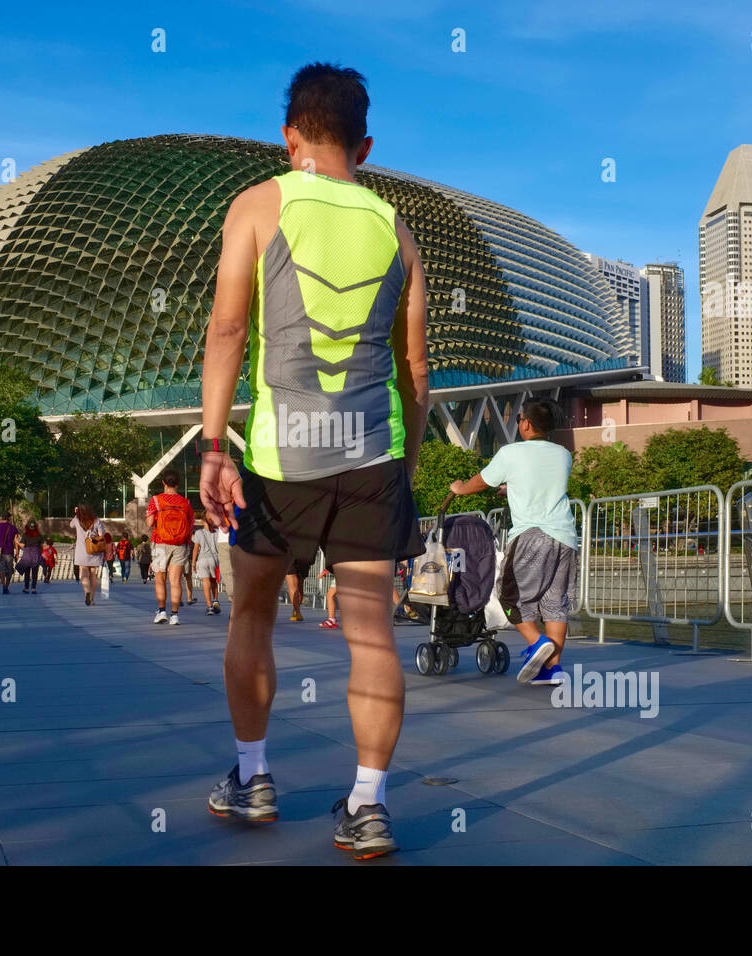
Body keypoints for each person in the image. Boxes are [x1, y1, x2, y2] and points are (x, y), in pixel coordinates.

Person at [197, 63, 428, 861]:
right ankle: (368, 804)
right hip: (372, 453)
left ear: (288, 137)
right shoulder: (397, 227)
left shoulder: (259, 203)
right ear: (365, 144)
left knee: (254, 614)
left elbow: (228, 330)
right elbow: (416, 370)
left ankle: (253, 777)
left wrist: (213, 444)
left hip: (277, 453)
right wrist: (408, 461)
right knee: (370, 633)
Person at [448, 400, 578, 687]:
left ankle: (537, 642)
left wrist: (459, 489)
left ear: (526, 423)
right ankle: (552, 670)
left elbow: (481, 481)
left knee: (508, 596)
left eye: (519, 418)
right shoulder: (563, 454)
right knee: (555, 604)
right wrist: (511, 487)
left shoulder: (511, 452)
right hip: (566, 538)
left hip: (533, 535)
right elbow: (541, 480)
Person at [147, 469, 194, 625]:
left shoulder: (156, 500)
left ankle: (161, 612)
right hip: (180, 544)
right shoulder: (185, 502)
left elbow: (149, 523)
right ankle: (175, 615)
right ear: (178, 484)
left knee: (160, 578)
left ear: (163, 483)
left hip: (160, 542)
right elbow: (191, 525)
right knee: (175, 581)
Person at [68, 505, 106, 606]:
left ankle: (87, 592)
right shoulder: (96, 520)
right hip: (94, 550)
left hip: (81, 552)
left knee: (83, 573)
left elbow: (70, 525)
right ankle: (92, 599)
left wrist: (76, 514)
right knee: (93, 573)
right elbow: (102, 534)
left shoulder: (77, 519)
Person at [192, 517, 223, 615]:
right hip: (215, 559)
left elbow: (196, 549)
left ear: (202, 521)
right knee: (214, 581)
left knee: (206, 583)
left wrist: (193, 562)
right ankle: (215, 600)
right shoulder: (217, 532)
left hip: (202, 559)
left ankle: (209, 607)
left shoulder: (199, 533)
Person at [0, 514, 20, 594]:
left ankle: (3, 586)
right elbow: (16, 542)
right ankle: (6, 586)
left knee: (1, 570)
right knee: (9, 571)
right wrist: (17, 554)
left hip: (0, 552)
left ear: (2, 518)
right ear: (9, 518)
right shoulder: (13, 528)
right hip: (9, 552)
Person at [16, 519, 44, 594]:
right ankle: (34, 588)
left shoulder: (25, 535)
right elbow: (41, 546)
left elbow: (23, 545)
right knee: (35, 572)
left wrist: (17, 542)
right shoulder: (39, 535)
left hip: (27, 556)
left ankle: (26, 588)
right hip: (36, 555)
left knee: (27, 573)